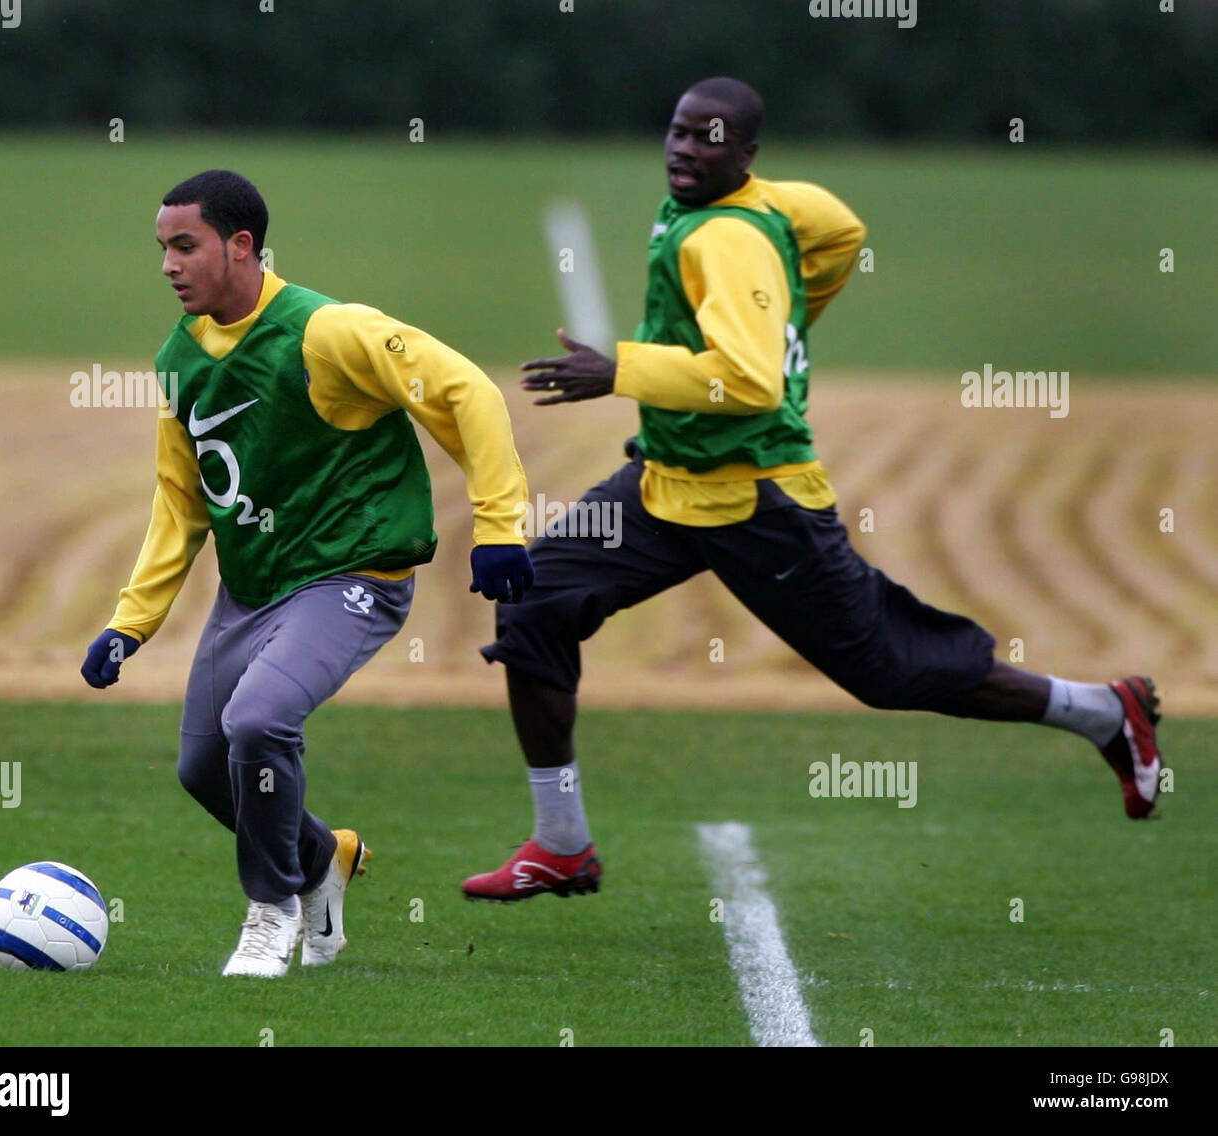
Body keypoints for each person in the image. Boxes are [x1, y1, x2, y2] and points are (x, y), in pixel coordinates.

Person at [462, 77, 1164, 902]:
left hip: (759, 503)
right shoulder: (737, 211)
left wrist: (621, 369)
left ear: (747, 155)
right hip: (665, 485)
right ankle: (562, 842)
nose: (686, 150)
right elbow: (840, 228)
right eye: (681, 133)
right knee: (537, 601)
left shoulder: (723, 238)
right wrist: (790, 308)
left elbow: (752, 382)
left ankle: (1103, 711)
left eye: (710, 139)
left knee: (890, 669)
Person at [82, 169, 534, 974]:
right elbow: (181, 502)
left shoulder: (328, 331)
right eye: (162, 248)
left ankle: (273, 910)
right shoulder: (178, 361)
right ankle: (327, 855)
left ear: (241, 245)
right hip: (252, 591)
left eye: (185, 245)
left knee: (256, 723)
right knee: (201, 769)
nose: (169, 264)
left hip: (352, 576)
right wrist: (130, 622)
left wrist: (499, 526)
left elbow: (466, 391)